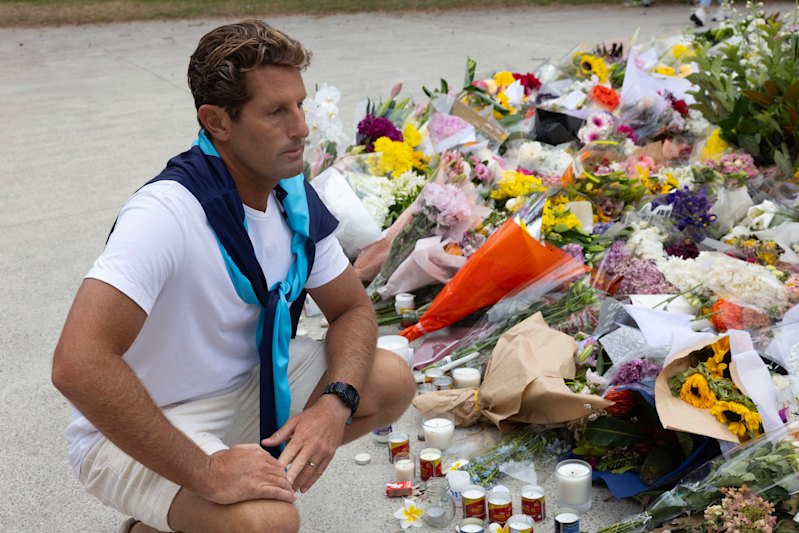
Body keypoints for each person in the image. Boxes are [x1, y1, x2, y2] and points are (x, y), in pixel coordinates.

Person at [52, 20, 416, 533]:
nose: (302, 128)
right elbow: (77, 364)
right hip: (140, 423)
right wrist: (206, 471)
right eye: (275, 112)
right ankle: (168, 515)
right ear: (217, 122)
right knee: (269, 523)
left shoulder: (291, 197)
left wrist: (335, 404)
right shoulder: (167, 212)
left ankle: (183, 516)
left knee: (387, 379)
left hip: (244, 393)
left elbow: (352, 309)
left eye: (300, 105)